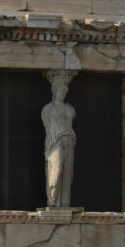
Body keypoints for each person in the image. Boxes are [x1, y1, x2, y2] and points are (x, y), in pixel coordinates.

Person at [41, 71, 77, 208]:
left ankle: (64, 203)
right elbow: (47, 125)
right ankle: (52, 201)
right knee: (56, 171)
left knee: (67, 174)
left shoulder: (70, 109)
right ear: (54, 92)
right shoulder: (48, 109)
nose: (62, 93)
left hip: (69, 140)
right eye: (59, 91)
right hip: (55, 142)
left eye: (64, 91)